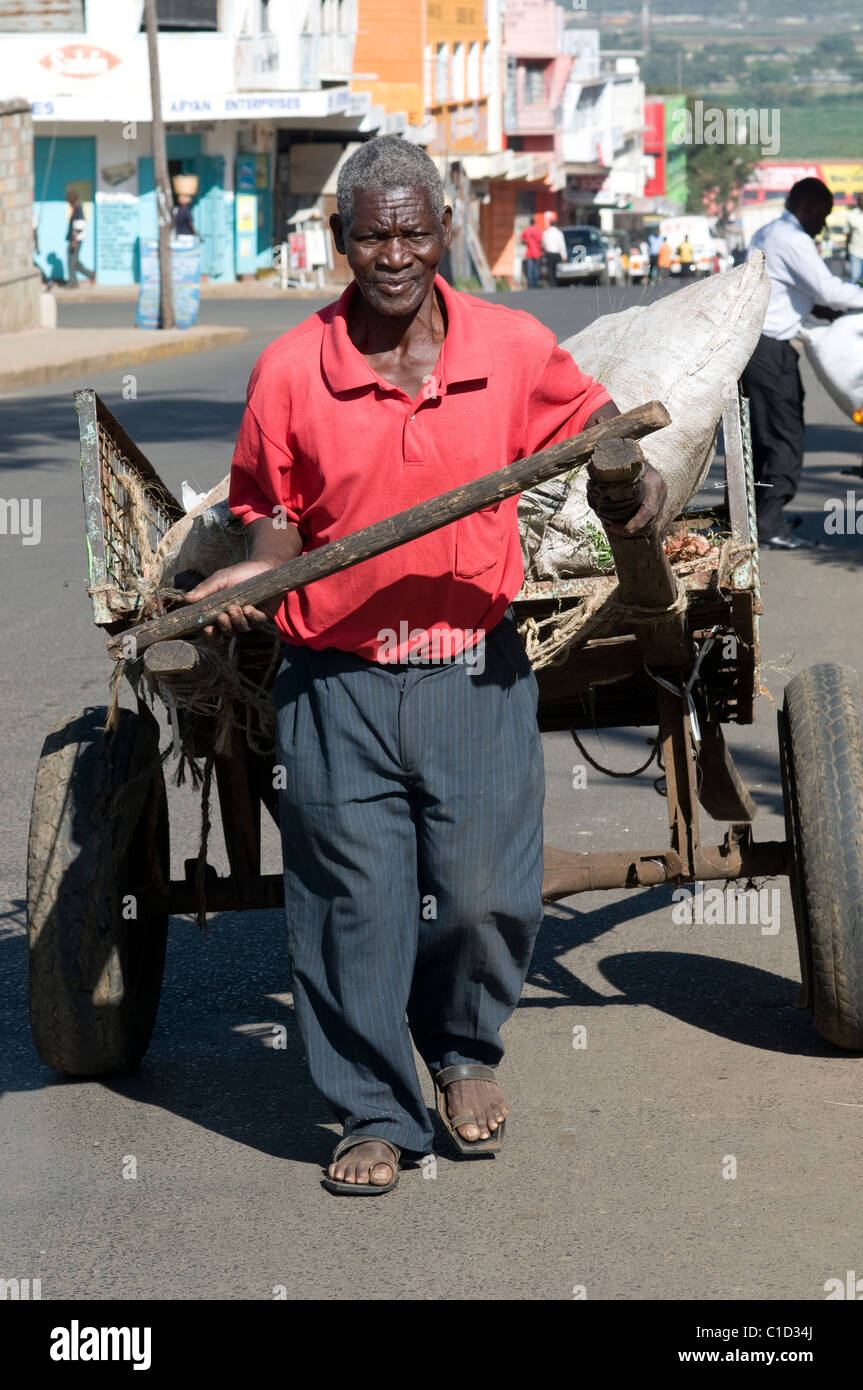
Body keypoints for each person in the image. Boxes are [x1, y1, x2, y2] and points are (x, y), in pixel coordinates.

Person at [185, 136, 667, 1194]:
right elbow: (271, 528)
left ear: (445, 232)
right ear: (339, 240)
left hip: (471, 669)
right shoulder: (288, 371)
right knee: (351, 901)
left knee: (485, 894)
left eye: (412, 232)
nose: (393, 255)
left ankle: (458, 1050)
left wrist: (633, 490)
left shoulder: (508, 343)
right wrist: (242, 584)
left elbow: (598, 439)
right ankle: (368, 1107)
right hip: (337, 676)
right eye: (371, 235)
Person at [743, 177, 863, 549]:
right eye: (823, 216)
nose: (823, 226)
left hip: (754, 347)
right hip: (770, 349)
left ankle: (762, 517)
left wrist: (822, 309)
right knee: (785, 435)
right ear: (808, 206)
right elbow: (826, 288)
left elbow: (792, 290)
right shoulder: (793, 239)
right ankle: (771, 525)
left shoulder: (768, 232)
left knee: (764, 436)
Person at [66, 190, 94, 287]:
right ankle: (90, 274)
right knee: (74, 262)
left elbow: (80, 225)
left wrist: (74, 240)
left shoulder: (78, 209)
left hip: (76, 240)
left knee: (71, 262)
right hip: (74, 239)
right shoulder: (75, 208)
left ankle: (73, 282)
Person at [541, 214, 567, 286]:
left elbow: (543, 243)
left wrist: (545, 249)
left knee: (550, 269)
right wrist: (564, 255)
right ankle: (555, 283)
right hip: (556, 253)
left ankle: (551, 283)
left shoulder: (546, 232)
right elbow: (562, 245)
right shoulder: (558, 233)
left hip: (548, 253)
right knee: (556, 269)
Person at [846, 191, 863, 285]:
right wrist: (846, 250)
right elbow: (848, 234)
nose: (862, 202)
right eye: (860, 200)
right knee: (855, 278)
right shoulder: (852, 215)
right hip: (856, 252)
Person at [520, 220, 543, 288]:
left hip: (529, 253)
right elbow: (540, 241)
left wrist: (527, 242)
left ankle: (530, 285)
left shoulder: (526, 230)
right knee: (536, 269)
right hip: (537, 252)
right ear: (534, 222)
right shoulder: (537, 230)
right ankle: (536, 284)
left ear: (529, 222)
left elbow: (522, 240)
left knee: (529, 270)